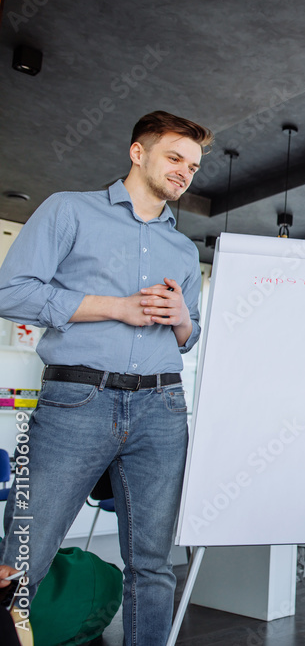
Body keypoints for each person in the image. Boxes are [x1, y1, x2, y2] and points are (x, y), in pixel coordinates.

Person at [0, 111, 213, 644]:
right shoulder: (69, 210)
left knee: (154, 566)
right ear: (138, 153)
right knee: (23, 558)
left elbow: (190, 335)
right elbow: (11, 292)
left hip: (163, 408)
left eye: (193, 166)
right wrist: (114, 307)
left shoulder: (184, 250)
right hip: (76, 399)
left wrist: (181, 317)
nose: (184, 172)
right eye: (174, 157)